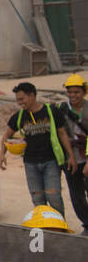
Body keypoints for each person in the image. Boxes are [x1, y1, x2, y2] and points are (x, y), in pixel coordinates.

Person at [0, 82, 73, 217]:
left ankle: (60, 228)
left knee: (54, 197)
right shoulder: (19, 116)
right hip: (30, 163)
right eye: (17, 100)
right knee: (38, 200)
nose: (19, 103)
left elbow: (62, 134)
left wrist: (71, 156)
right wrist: (2, 155)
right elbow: (6, 136)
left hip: (51, 161)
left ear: (32, 96)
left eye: (22, 99)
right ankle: (45, 228)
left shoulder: (51, 112)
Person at [55, 74, 88, 234]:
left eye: (77, 92)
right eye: (70, 92)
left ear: (84, 92)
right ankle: (87, 224)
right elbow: (58, 133)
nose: (73, 95)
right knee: (77, 196)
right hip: (70, 158)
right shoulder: (61, 110)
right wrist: (70, 156)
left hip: (86, 156)